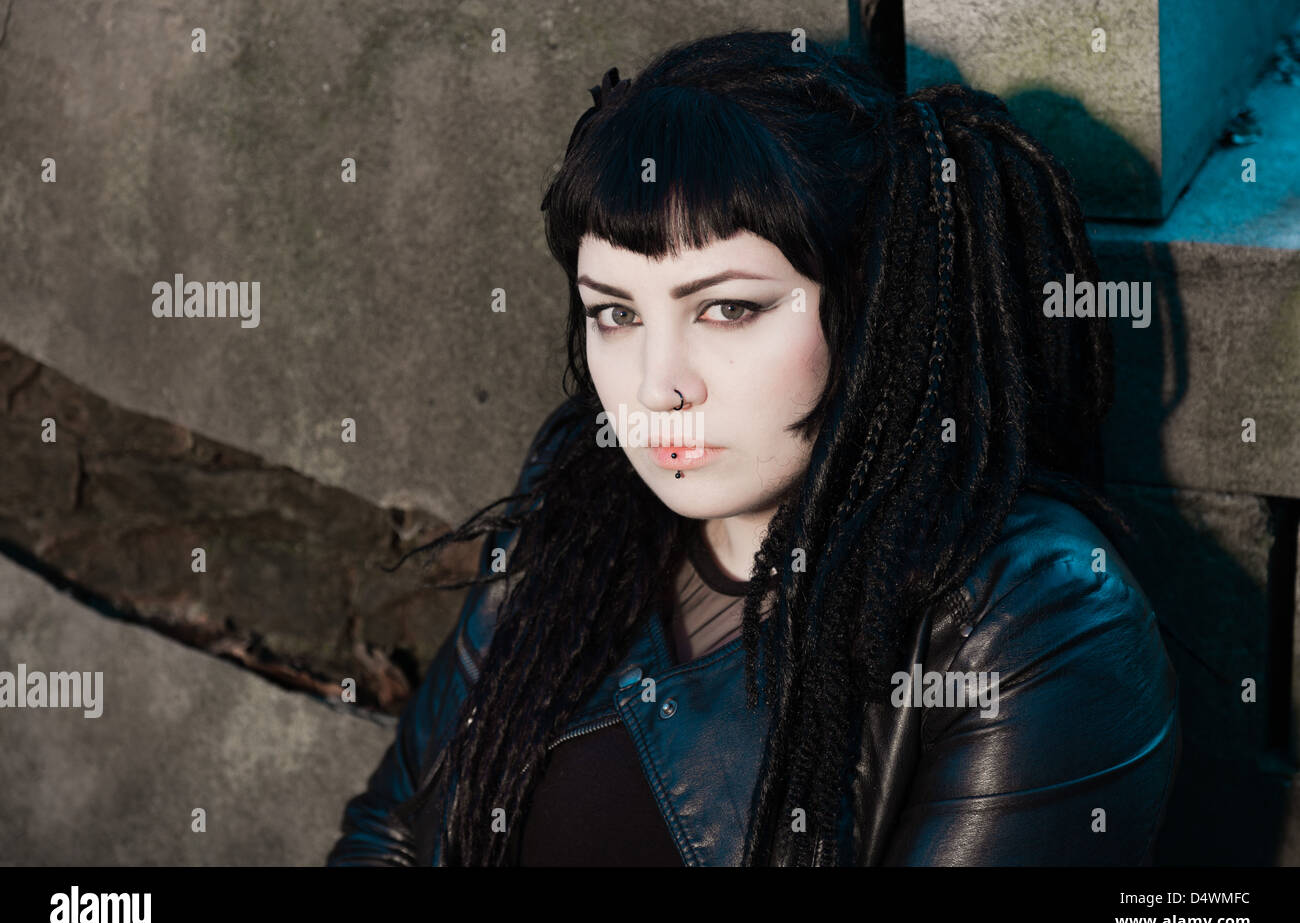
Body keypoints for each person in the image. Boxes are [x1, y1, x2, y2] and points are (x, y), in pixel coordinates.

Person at [326, 30, 1180, 867]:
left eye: (728, 308)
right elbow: (395, 834)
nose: (659, 387)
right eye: (615, 314)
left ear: (874, 309)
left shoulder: (1033, 621)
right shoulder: (581, 498)